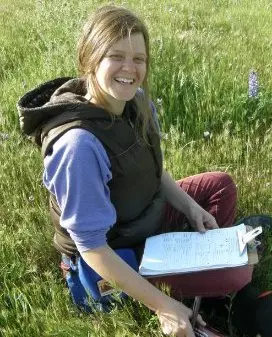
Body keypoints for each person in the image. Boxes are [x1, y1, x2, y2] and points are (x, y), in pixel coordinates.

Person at [18, 5, 251, 337]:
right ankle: (181, 300)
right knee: (236, 274)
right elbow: (93, 249)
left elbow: (154, 172)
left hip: (141, 215)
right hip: (114, 253)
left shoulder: (136, 101)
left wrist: (191, 207)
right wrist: (164, 306)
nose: (130, 69)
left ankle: (196, 264)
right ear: (90, 59)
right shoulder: (78, 146)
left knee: (220, 186)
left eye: (139, 59)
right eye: (117, 56)